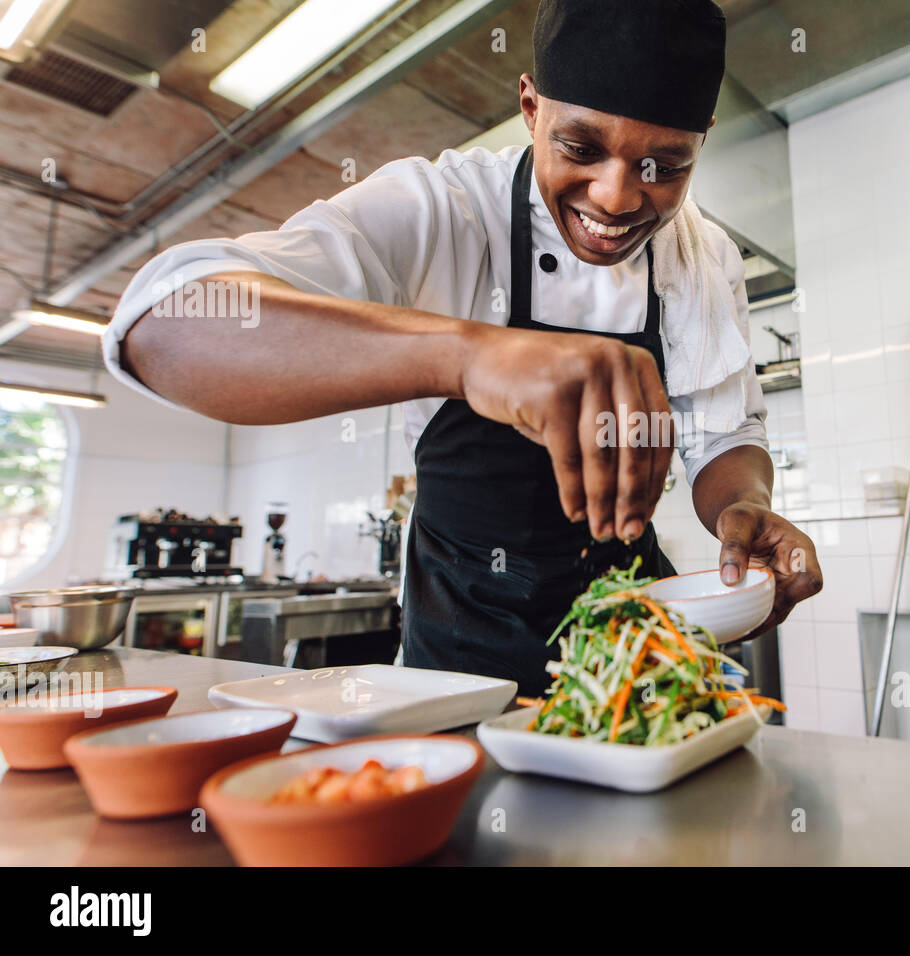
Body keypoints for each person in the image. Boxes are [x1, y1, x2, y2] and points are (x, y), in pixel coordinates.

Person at [106, 0, 822, 695]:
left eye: (665, 166)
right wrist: (468, 356)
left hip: (635, 655)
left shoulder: (703, 256)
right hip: (456, 658)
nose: (616, 197)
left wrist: (743, 504)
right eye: (581, 148)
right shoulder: (440, 210)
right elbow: (162, 324)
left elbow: (725, 430)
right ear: (531, 106)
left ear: (703, 141)